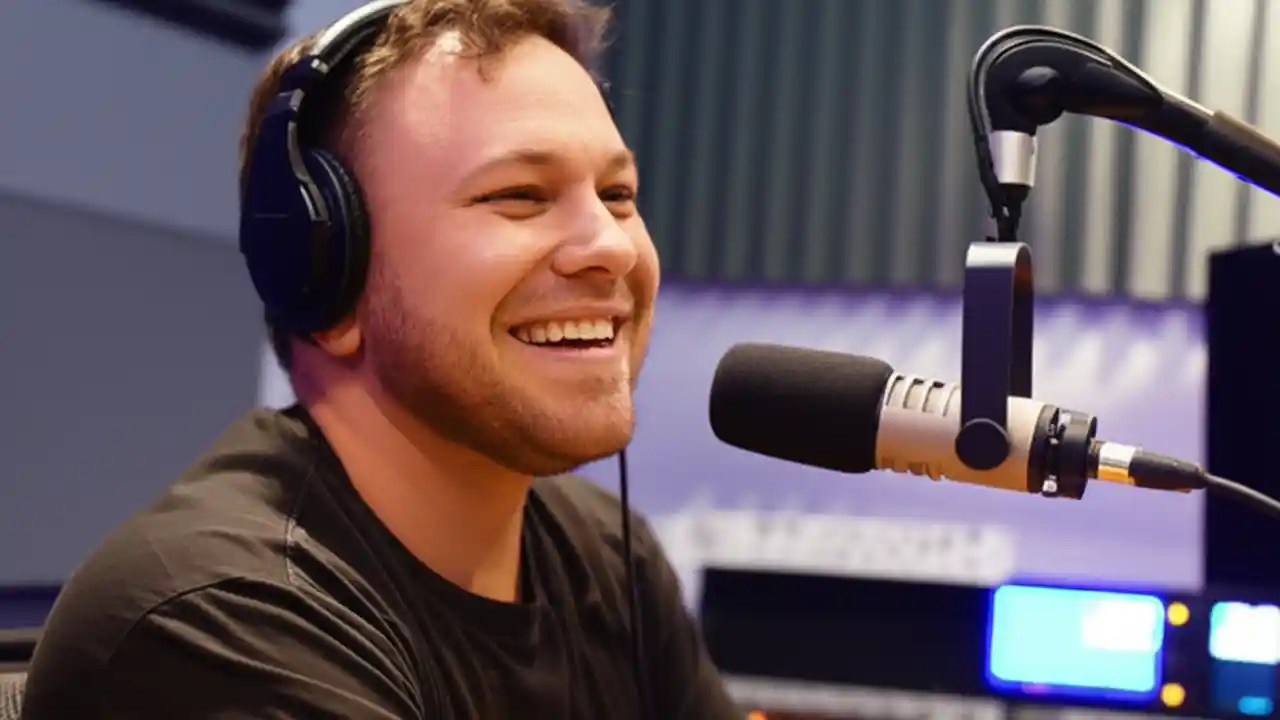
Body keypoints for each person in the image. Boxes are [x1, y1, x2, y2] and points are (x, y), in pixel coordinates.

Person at [19, 0, 742, 717]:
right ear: (327, 273)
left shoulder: (606, 560)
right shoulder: (221, 620)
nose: (613, 246)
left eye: (618, 195)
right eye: (520, 195)